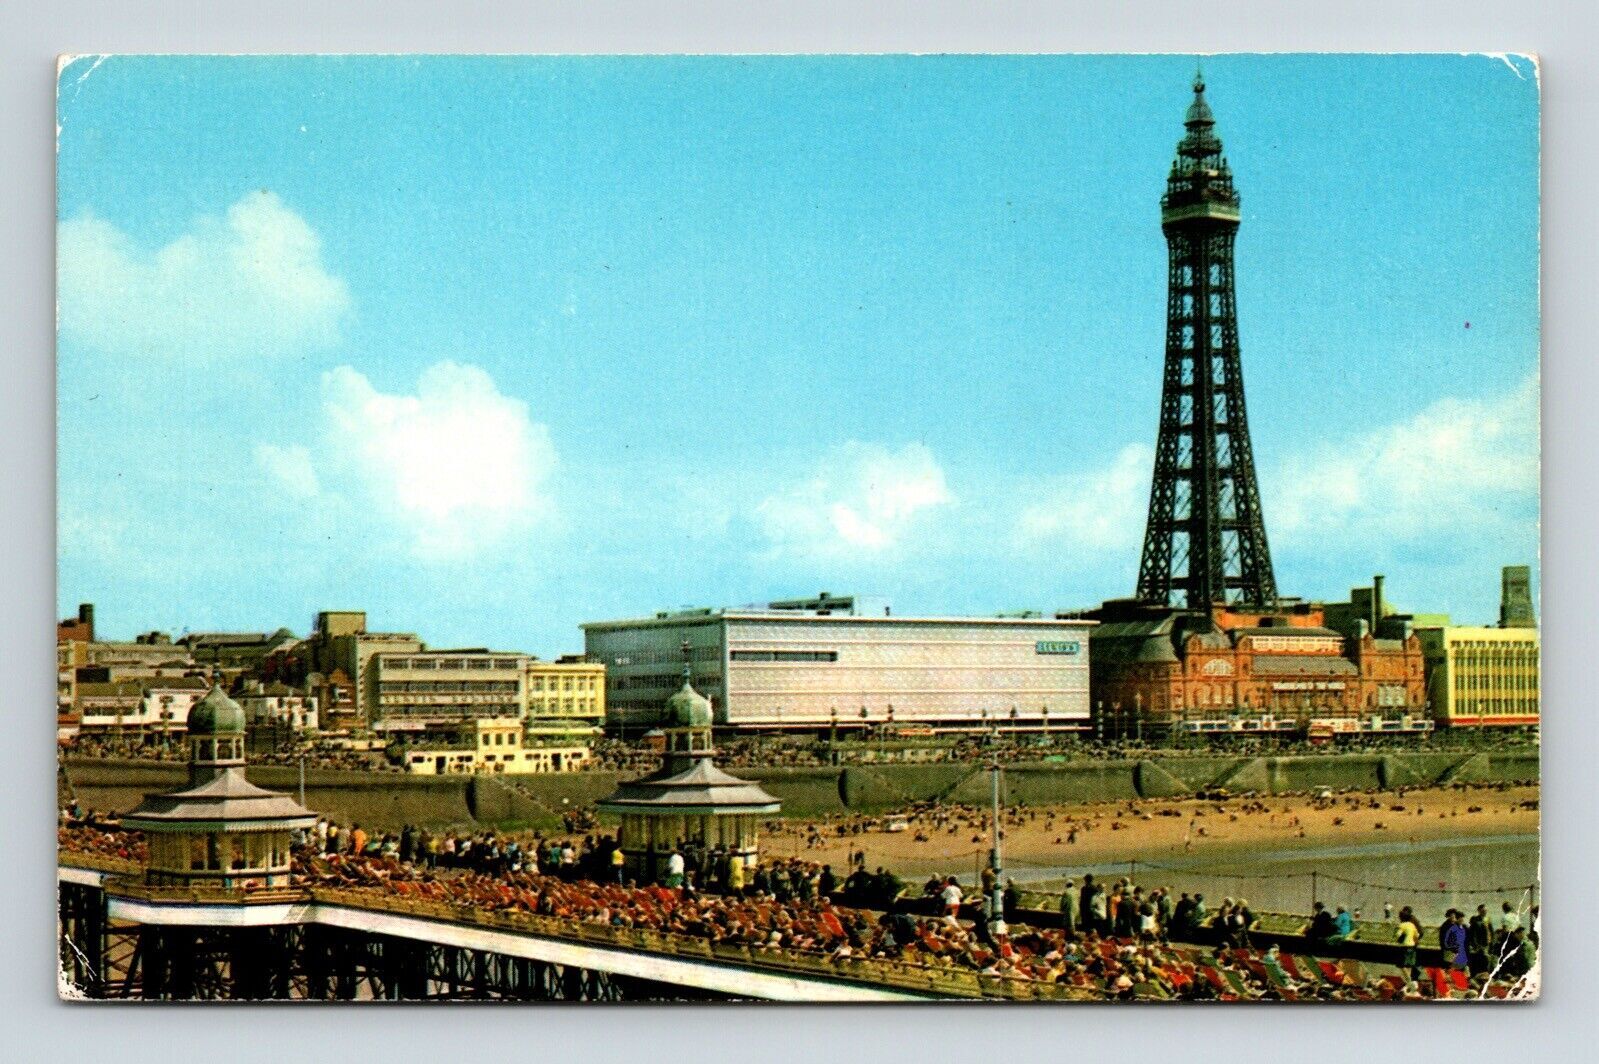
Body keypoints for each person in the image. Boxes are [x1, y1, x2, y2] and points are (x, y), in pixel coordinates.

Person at [1394, 906, 1422, 982]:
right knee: (1409, 965)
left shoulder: (1405, 923)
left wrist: (1400, 938)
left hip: (1405, 946)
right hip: (1413, 945)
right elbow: (1419, 934)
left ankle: (1409, 980)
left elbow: (1397, 935)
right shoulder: (1412, 922)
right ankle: (1409, 982)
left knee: (1401, 964)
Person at [1466, 905, 1492, 976]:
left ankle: (1485, 974)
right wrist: (1475, 945)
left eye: (1485, 911)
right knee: (1479, 959)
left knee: (1486, 960)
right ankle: (1477, 974)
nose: (1484, 912)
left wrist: (1491, 942)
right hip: (1478, 944)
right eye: (1483, 911)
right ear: (1479, 911)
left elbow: (1491, 931)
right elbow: (1472, 934)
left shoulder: (1488, 919)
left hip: (1486, 944)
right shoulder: (1475, 920)